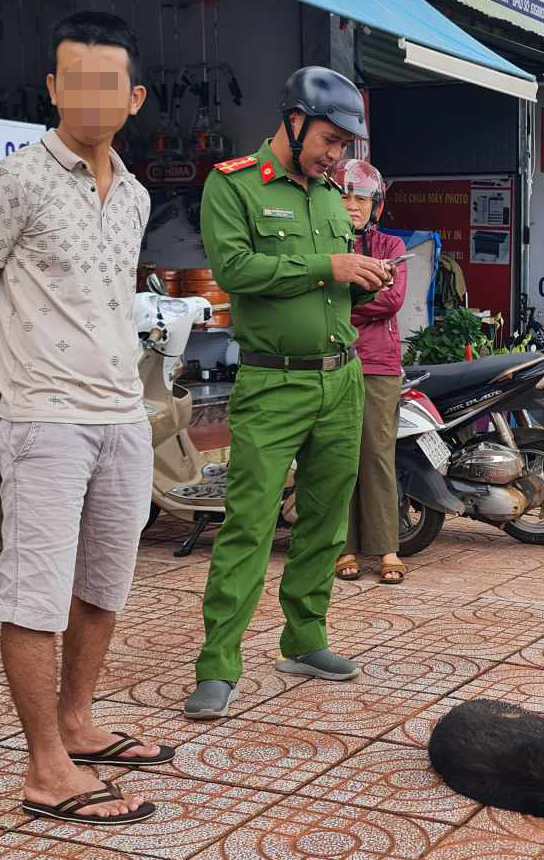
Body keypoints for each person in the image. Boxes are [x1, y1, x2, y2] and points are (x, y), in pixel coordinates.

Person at [0, 11, 171, 826]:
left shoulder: (137, 194)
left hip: (122, 414)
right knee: (36, 593)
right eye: (76, 80)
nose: (92, 96)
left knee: (104, 585)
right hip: (45, 419)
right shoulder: (14, 180)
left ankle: (77, 721)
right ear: (53, 88)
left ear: (135, 96)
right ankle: (44, 768)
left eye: (109, 82)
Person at [184, 67, 391, 720]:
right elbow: (234, 270)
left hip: (343, 378)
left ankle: (305, 638)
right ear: (295, 121)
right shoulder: (234, 184)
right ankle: (218, 665)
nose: (337, 157)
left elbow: (333, 288)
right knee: (249, 523)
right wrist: (325, 265)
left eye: (345, 146)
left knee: (327, 522)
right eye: (330, 141)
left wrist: (363, 279)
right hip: (273, 382)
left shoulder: (332, 197)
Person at [329, 159, 410, 586]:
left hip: (378, 365)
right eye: (344, 195)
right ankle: (342, 547)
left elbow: (392, 300)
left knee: (377, 456)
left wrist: (342, 297)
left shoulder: (391, 247)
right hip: (333, 361)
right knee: (339, 455)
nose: (352, 204)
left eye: (361, 197)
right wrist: (363, 289)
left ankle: (388, 548)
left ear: (375, 204)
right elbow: (324, 296)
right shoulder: (324, 244)